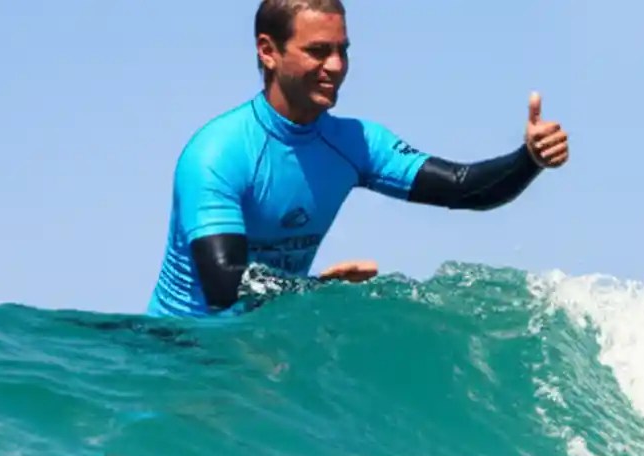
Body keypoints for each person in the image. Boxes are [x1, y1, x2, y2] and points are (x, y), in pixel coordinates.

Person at [146, 0, 570, 318]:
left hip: (260, 357)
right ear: (268, 51)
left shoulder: (356, 143)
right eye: (317, 51)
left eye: (342, 50)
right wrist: (316, 289)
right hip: (185, 353)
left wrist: (529, 158)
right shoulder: (219, 153)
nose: (336, 65)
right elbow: (223, 284)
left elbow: (465, 188)